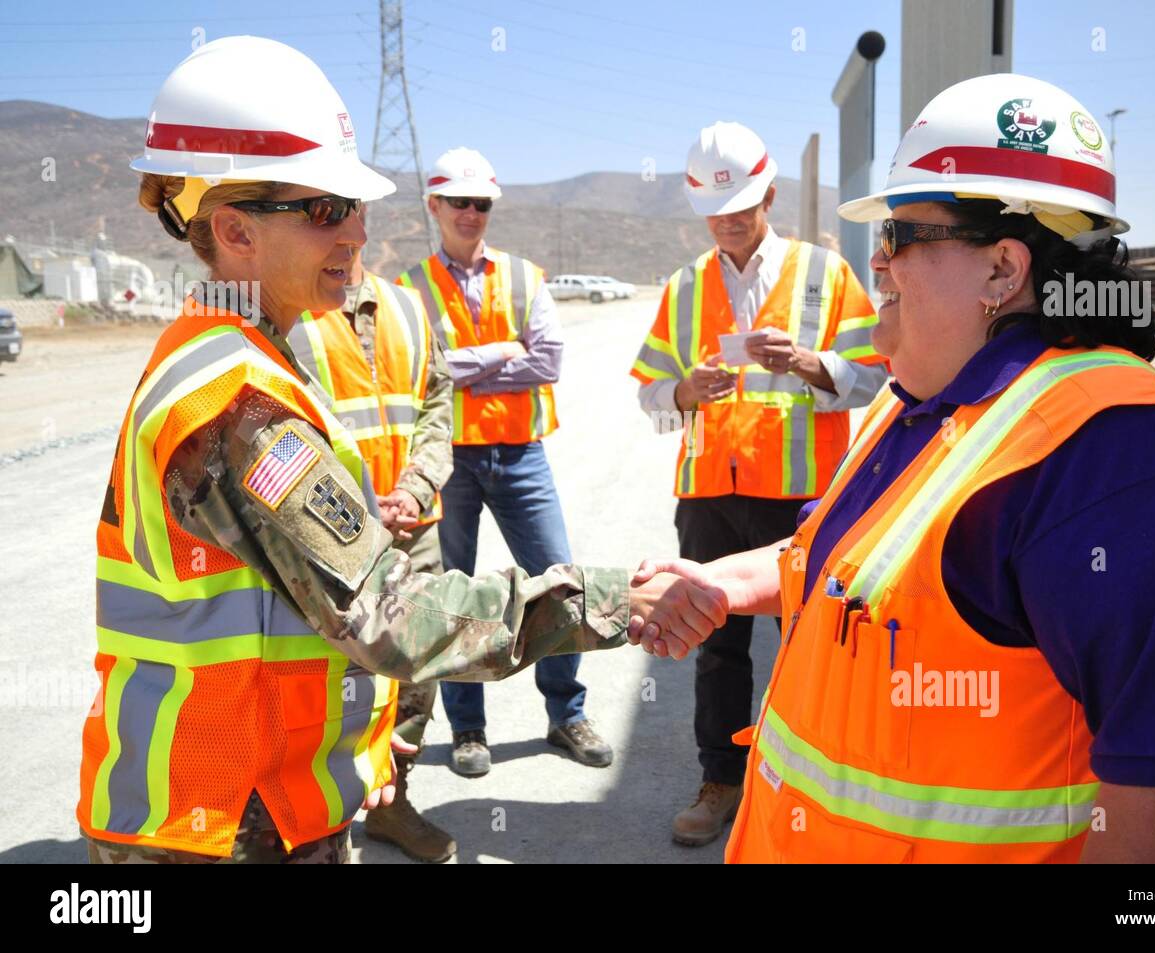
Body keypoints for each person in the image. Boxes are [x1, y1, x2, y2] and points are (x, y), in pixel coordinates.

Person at [79, 36, 725, 864]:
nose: (357, 231)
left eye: (355, 206)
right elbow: (394, 617)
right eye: (324, 209)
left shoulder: (250, 352)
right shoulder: (237, 406)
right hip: (210, 825)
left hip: (258, 802)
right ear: (235, 231)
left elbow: (294, 625)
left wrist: (351, 759)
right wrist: (614, 602)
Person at [632, 74, 1155, 863]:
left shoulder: (1124, 460)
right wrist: (721, 583)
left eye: (901, 235)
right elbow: (842, 567)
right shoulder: (927, 403)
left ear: (1003, 271)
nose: (878, 261)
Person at [629, 121, 886, 846]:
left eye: (742, 206)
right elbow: (648, 389)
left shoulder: (826, 273)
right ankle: (722, 779)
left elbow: (873, 375)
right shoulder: (684, 288)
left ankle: (819, 784)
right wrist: (684, 392)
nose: (730, 222)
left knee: (813, 642)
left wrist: (809, 363)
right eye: (716, 212)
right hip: (710, 493)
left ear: (769, 194)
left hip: (801, 498)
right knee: (717, 645)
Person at [396, 148, 608, 777]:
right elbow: (422, 372)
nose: (470, 212)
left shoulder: (524, 277)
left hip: (520, 455)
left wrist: (464, 367)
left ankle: (567, 713)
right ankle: (467, 728)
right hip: (449, 463)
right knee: (453, 594)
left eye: (480, 202)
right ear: (433, 205)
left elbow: (547, 361)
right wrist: (500, 353)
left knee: (559, 580)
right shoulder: (409, 289)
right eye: (457, 201)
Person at [286, 204, 458, 861]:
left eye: (349, 214)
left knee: (416, 664)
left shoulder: (410, 307)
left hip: (414, 526)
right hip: (328, 537)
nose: (342, 234)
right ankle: (317, 816)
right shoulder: (291, 313)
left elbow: (439, 401)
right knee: (331, 673)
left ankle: (393, 799)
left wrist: (416, 486)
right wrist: (360, 509)